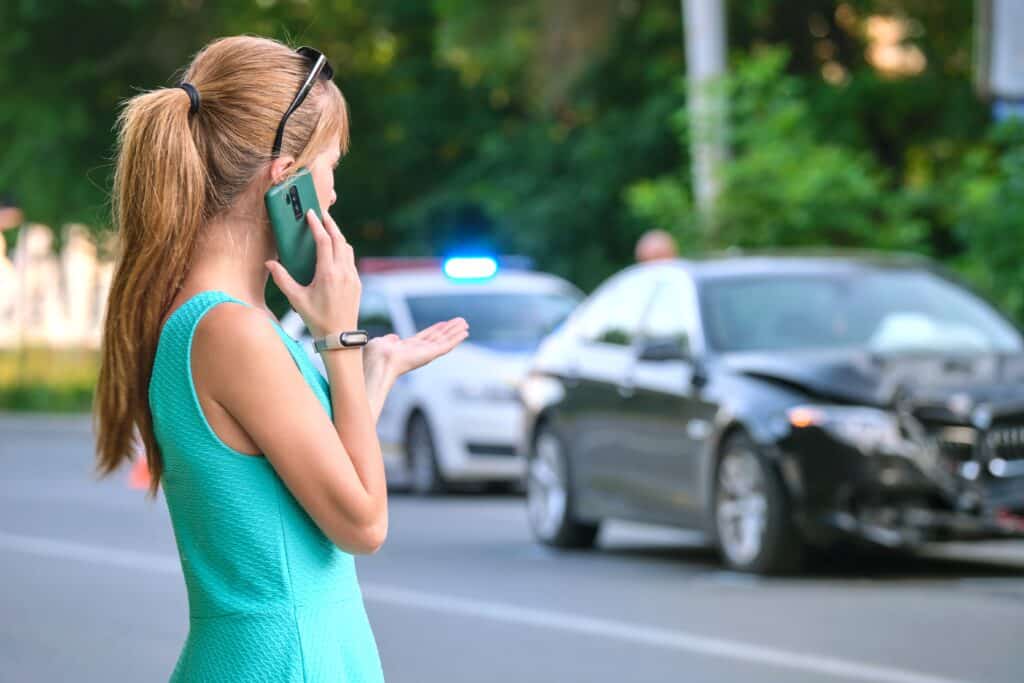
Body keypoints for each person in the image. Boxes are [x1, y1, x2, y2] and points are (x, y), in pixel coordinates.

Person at [93, 36, 468, 682]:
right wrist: (339, 339)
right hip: (285, 658)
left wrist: (368, 376)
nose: (334, 194)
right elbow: (363, 522)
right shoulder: (229, 331)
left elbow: (296, 473)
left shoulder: (218, 322)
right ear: (286, 179)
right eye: (329, 169)